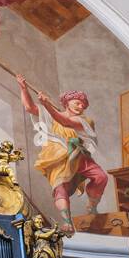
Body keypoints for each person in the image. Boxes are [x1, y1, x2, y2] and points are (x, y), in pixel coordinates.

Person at [18, 76, 105, 232]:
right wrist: (23, 88)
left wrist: (46, 104)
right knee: (60, 188)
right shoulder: (51, 114)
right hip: (56, 156)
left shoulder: (86, 121)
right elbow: (30, 108)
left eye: (83, 105)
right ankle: (67, 221)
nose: (81, 107)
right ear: (67, 103)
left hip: (79, 154)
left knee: (100, 177)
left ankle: (92, 206)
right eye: (77, 103)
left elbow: (65, 122)